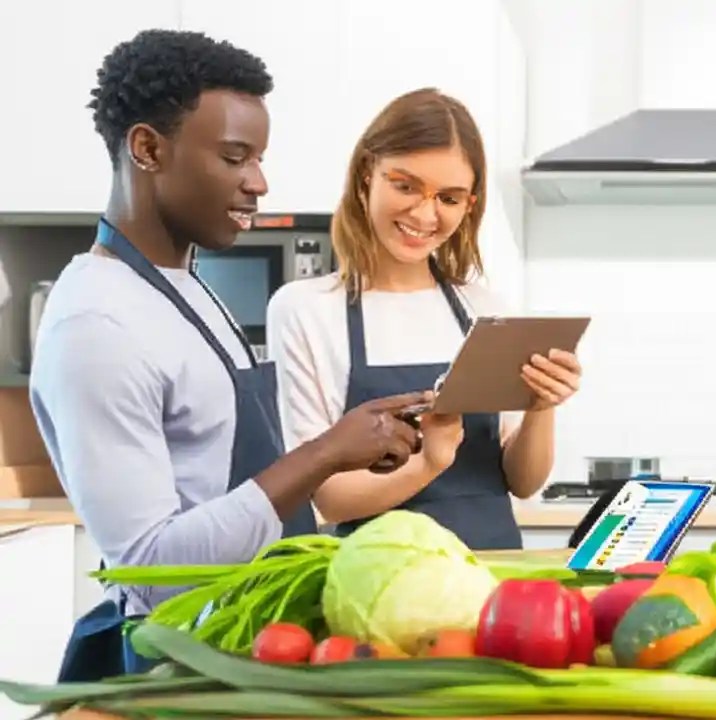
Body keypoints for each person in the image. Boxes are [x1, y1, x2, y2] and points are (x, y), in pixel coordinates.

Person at [29, 29, 434, 683]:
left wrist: (347, 442)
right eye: (235, 157)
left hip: (254, 645)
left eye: (259, 159)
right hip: (189, 663)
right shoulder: (96, 325)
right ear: (147, 149)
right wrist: (325, 453)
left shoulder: (183, 286)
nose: (259, 182)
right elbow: (154, 571)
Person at [265, 88, 582, 551]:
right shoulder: (306, 310)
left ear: (468, 205)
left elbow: (524, 482)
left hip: (493, 577)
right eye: (405, 185)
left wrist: (542, 407)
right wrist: (428, 463)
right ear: (365, 176)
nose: (424, 213)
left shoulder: (485, 308)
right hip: (377, 584)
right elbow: (327, 499)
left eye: (449, 198)